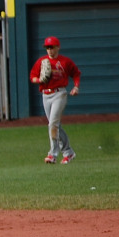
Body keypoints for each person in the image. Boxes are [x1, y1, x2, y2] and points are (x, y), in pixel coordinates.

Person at [29, 36, 81, 164]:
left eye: (52, 47)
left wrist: (76, 86)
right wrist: (39, 80)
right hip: (45, 95)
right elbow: (32, 77)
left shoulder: (65, 62)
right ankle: (68, 152)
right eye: (47, 47)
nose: (49, 50)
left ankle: (52, 154)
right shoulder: (42, 61)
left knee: (52, 124)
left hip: (59, 94)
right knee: (55, 125)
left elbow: (76, 73)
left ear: (58, 47)